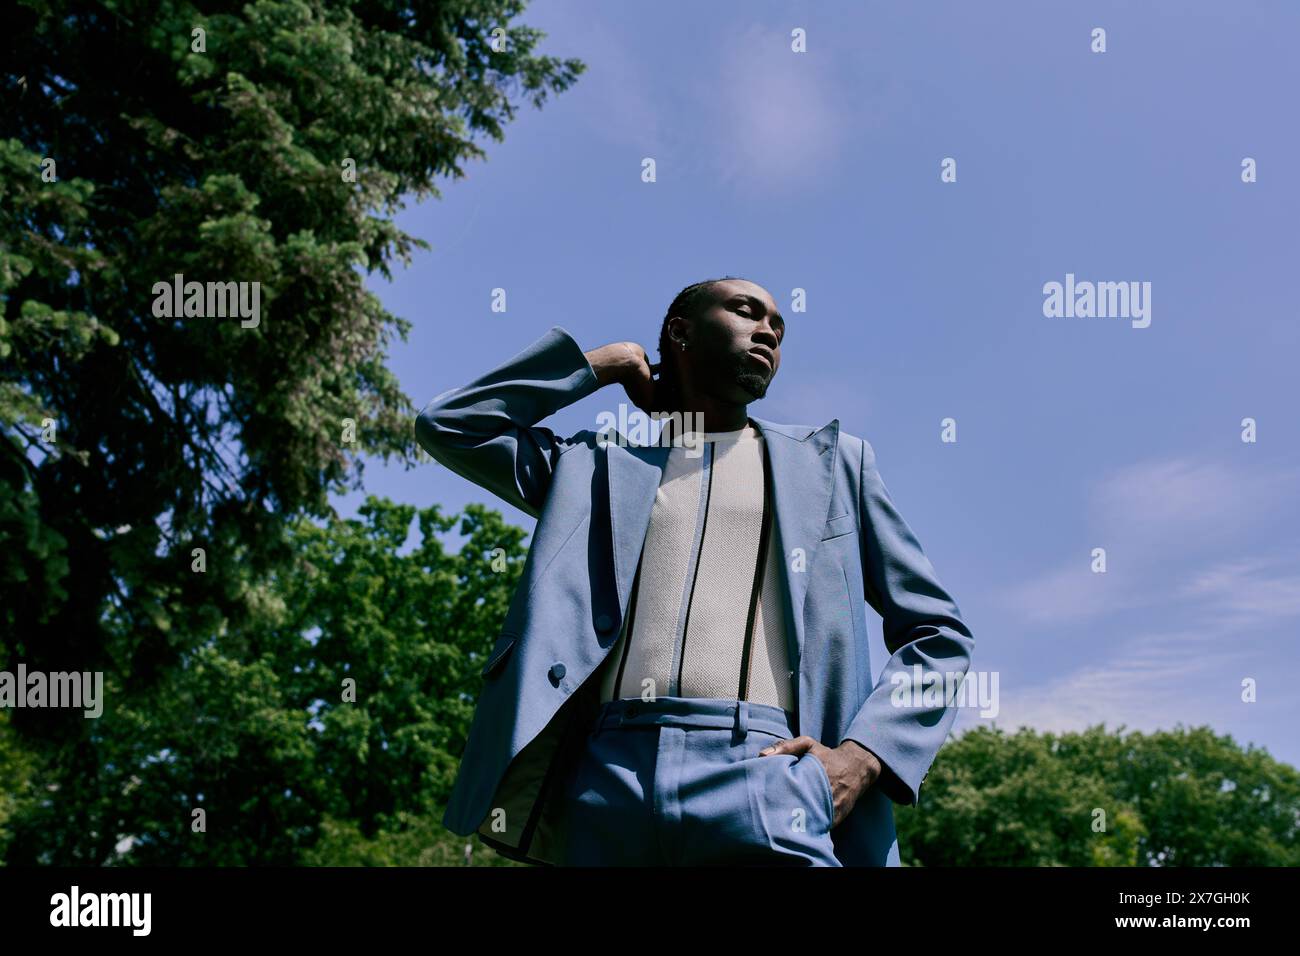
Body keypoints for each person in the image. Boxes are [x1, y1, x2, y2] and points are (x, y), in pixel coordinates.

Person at [416, 276, 975, 866]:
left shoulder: (836, 467)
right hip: (602, 781)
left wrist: (861, 758)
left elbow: (938, 633)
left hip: (771, 773)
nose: (768, 331)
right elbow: (451, 424)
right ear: (681, 332)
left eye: (778, 328)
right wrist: (605, 364)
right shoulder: (593, 469)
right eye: (745, 311)